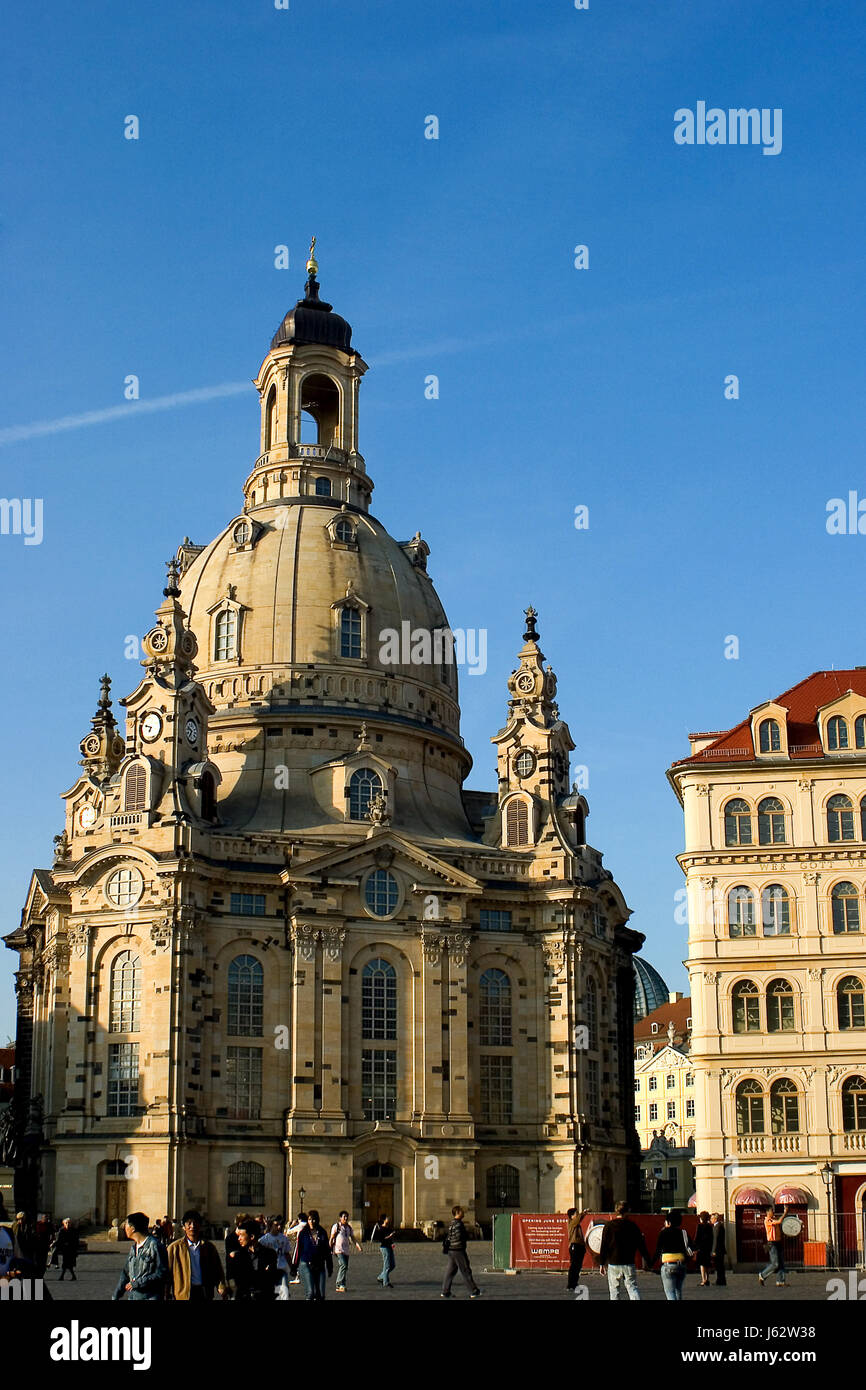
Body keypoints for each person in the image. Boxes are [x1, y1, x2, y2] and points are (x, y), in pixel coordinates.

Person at [167, 1210, 228, 1301]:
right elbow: (167, 1274)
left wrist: (221, 1286)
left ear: (200, 1226)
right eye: (189, 1223)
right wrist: (166, 1293)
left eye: (195, 1223)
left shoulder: (208, 1247)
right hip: (183, 1293)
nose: (192, 1226)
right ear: (184, 1227)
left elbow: (217, 1269)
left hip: (204, 1292)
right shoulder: (174, 1248)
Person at [598, 1201, 652, 1301]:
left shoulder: (609, 1226)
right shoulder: (633, 1226)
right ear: (628, 1211)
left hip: (613, 1262)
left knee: (614, 1291)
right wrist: (648, 1260)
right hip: (629, 1262)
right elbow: (641, 1245)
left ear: (615, 1211)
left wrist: (601, 1263)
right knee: (632, 1288)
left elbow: (604, 1245)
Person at [112, 1212, 168, 1301]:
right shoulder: (133, 1248)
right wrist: (116, 1295)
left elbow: (162, 1273)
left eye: (126, 1225)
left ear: (133, 1228)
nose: (124, 1227)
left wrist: (138, 1283)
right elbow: (126, 1273)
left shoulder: (155, 1246)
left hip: (150, 1296)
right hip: (133, 1297)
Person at [227, 1219, 278, 1300]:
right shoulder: (238, 1256)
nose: (239, 1239)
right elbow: (234, 1278)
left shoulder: (269, 1254)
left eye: (241, 1235)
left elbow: (271, 1278)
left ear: (252, 1236)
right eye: (238, 1235)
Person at [440, 1205, 481, 1299]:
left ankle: (445, 1291)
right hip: (458, 1250)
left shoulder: (451, 1223)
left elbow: (449, 1237)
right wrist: (465, 1237)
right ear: (458, 1213)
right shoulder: (458, 1224)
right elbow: (458, 1236)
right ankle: (474, 1291)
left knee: (450, 1271)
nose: (463, 1213)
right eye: (462, 1211)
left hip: (451, 1250)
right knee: (465, 1270)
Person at [652, 1209, 692, 1301]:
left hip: (668, 1264)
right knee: (678, 1290)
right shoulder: (683, 1232)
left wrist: (651, 1263)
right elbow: (690, 1247)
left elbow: (658, 1250)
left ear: (668, 1221)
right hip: (681, 1264)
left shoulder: (663, 1232)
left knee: (670, 1292)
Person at [295, 1210, 333, 1301]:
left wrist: (329, 1266)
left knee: (321, 1294)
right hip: (306, 1264)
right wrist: (294, 1266)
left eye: (313, 1219)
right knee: (311, 1292)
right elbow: (298, 1250)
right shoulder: (303, 1233)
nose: (311, 1222)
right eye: (309, 1219)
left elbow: (327, 1251)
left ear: (317, 1220)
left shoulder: (322, 1232)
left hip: (319, 1265)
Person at [260, 1217, 292, 1299]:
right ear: (270, 1226)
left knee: (284, 1292)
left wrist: (292, 1267)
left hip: (281, 1269)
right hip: (269, 1271)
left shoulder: (284, 1238)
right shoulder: (264, 1240)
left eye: (280, 1225)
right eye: (276, 1225)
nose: (279, 1227)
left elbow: (287, 1254)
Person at [330, 1211, 362, 1293]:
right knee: (343, 1265)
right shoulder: (336, 1226)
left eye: (347, 1216)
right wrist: (329, 1247)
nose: (346, 1218)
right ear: (340, 1218)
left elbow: (353, 1237)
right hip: (338, 1249)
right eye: (344, 1217)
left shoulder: (349, 1227)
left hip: (346, 1250)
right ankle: (338, 1283)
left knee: (344, 1267)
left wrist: (357, 1245)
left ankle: (342, 1285)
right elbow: (332, 1237)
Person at [758, 1204, 789, 1287]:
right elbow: (779, 1221)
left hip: (778, 1242)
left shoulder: (773, 1218)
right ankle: (762, 1275)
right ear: (767, 1212)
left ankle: (780, 1281)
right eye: (771, 1210)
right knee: (775, 1264)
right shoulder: (767, 1220)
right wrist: (785, 1213)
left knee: (781, 1263)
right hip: (772, 1243)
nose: (773, 1212)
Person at [372, 1213, 397, 1289]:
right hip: (384, 1248)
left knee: (392, 1265)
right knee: (387, 1265)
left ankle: (381, 1277)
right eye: (387, 1218)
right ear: (384, 1220)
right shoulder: (381, 1229)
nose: (388, 1219)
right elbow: (382, 1239)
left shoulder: (388, 1228)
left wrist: (392, 1242)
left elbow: (390, 1238)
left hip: (389, 1247)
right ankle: (386, 1282)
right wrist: (390, 1236)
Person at [565, 1208, 587, 1294]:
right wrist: (584, 1213)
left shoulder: (576, 1224)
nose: (577, 1215)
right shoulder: (571, 1222)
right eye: (576, 1214)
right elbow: (579, 1219)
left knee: (578, 1266)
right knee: (574, 1265)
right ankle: (570, 1284)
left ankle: (575, 1283)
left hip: (580, 1246)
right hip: (574, 1245)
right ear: (572, 1216)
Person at [285, 1212, 307, 1284]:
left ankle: (297, 1277)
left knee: (295, 1260)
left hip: (300, 1244)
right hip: (307, 1244)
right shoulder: (307, 1225)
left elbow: (288, 1232)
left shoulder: (300, 1225)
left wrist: (292, 1225)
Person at [694, 1211, 714, 1286]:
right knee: (707, 1264)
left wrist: (695, 1247)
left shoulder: (699, 1226)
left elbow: (697, 1237)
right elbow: (712, 1237)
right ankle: (707, 1279)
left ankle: (703, 1279)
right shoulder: (710, 1226)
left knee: (702, 1264)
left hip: (701, 1248)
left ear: (701, 1218)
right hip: (708, 1248)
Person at [711, 1212, 727, 1286]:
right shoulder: (719, 1226)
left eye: (712, 1218)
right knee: (719, 1266)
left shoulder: (717, 1227)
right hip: (720, 1250)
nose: (711, 1220)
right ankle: (720, 1280)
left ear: (715, 1219)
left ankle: (720, 1281)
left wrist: (714, 1250)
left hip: (718, 1250)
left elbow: (715, 1240)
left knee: (719, 1266)